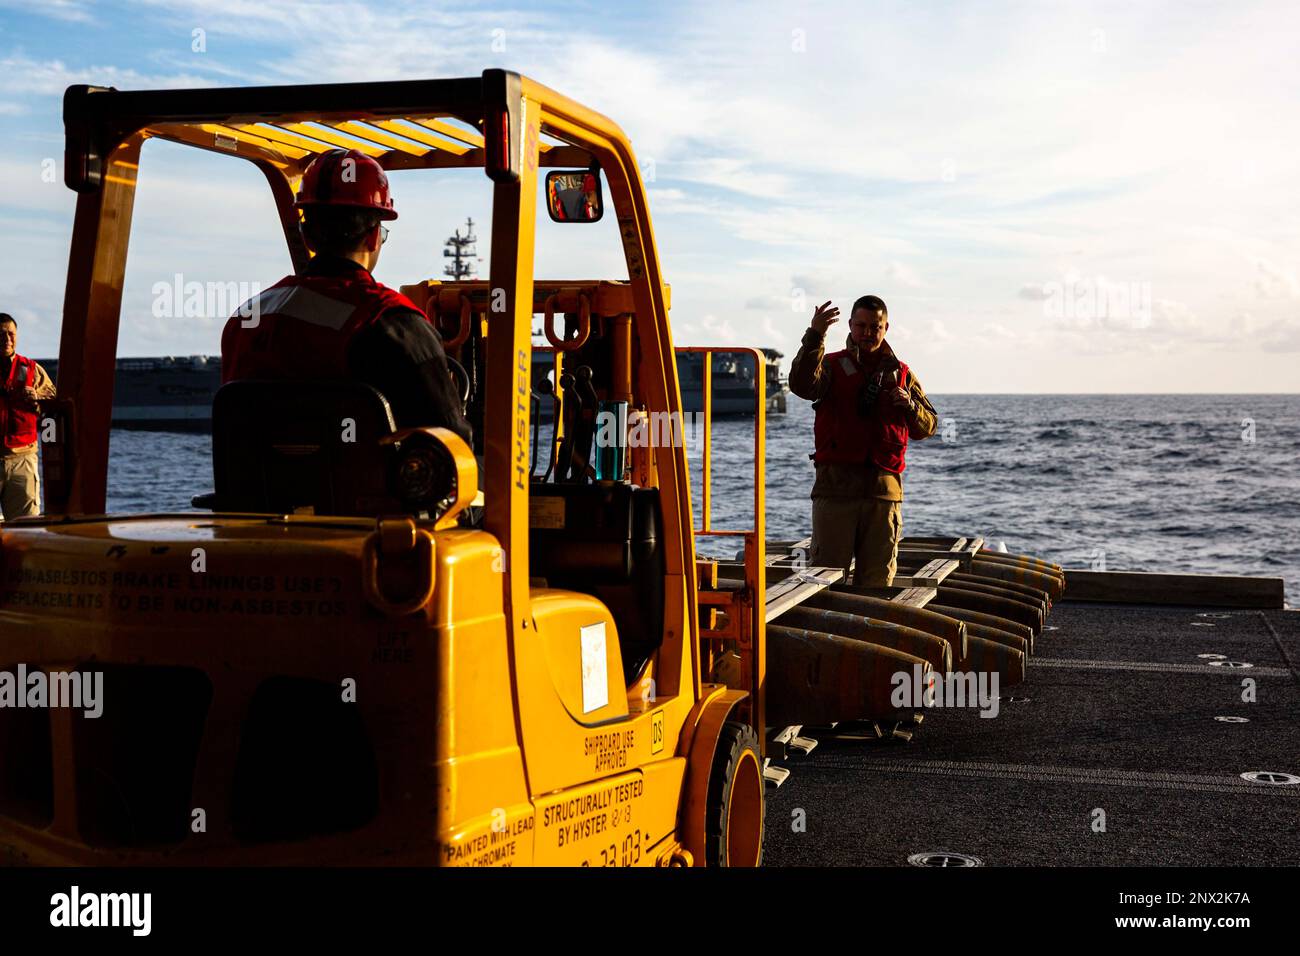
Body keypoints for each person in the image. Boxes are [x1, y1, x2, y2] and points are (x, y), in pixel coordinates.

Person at [221, 148, 471, 447]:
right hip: (363, 493)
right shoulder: (391, 321)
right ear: (374, 236)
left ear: (306, 235)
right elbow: (451, 441)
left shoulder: (245, 319)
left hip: (253, 494)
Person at [788, 295, 937, 586]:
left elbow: (927, 427)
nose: (867, 333)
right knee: (825, 580)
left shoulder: (903, 374)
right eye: (861, 326)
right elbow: (802, 385)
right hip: (835, 492)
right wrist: (815, 334)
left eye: (875, 327)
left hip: (883, 495)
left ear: (886, 328)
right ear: (850, 326)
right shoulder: (830, 365)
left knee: (878, 582)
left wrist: (909, 405)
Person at [0, 313, 57, 520]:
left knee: (25, 526)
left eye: (11, 334)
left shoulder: (31, 369)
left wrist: (37, 397)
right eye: (1, 335)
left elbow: (53, 399)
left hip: (22, 458)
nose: (7, 339)